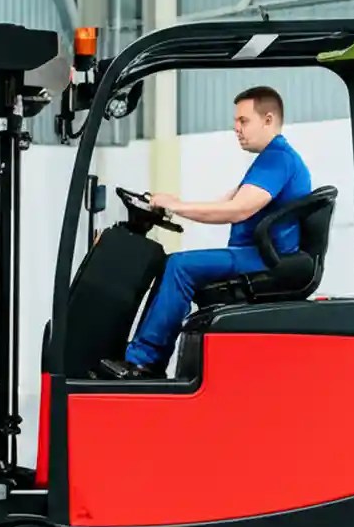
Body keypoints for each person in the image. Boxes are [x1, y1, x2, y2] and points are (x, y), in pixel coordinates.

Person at [101, 85, 312, 379]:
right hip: (256, 255)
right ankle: (143, 355)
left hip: (263, 259)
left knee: (179, 266)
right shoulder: (271, 160)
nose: (235, 128)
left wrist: (179, 207)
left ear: (268, 120)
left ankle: (144, 362)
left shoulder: (279, 159)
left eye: (243, 121)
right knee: (172, 264)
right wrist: (174, 204)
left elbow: (237, 210)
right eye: (235, 121)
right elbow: (226, 202)